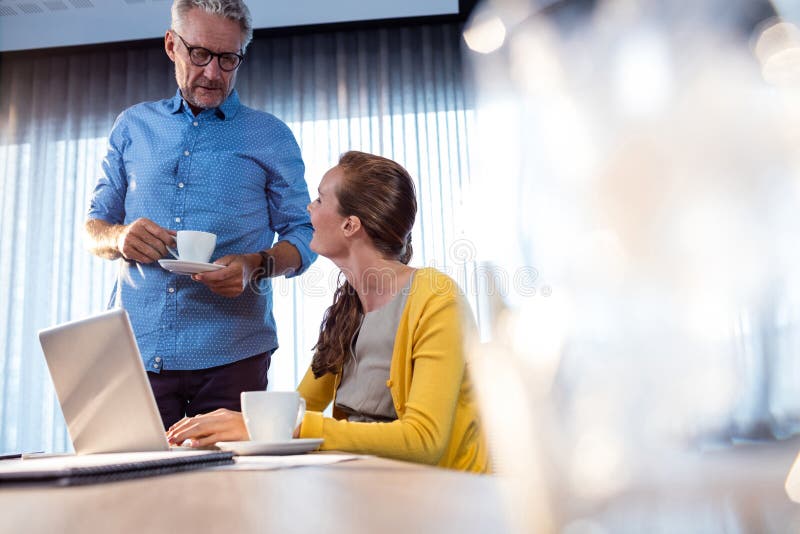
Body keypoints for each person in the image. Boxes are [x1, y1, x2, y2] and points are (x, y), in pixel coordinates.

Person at [166, 151, 490, 473]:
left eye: (320, 200)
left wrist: (282, 430)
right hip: (369, 489)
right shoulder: (349, 307)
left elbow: (424, 440)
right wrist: (224, 427)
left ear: (350, 225)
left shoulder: (435, 298)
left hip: (442, 499)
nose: (309, 208)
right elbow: (301, 405)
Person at [84, 0, 316, 429]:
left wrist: (256, 265)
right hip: (137, 349)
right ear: (172, 45)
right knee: (136, 489)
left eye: (228, 59)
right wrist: (118, 238)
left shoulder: (271, 136)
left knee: (229, 492)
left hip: (235, 353)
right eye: (200, 55)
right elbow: (94, 225)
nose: (213, 73)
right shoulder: (132, 126)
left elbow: (306, 235)